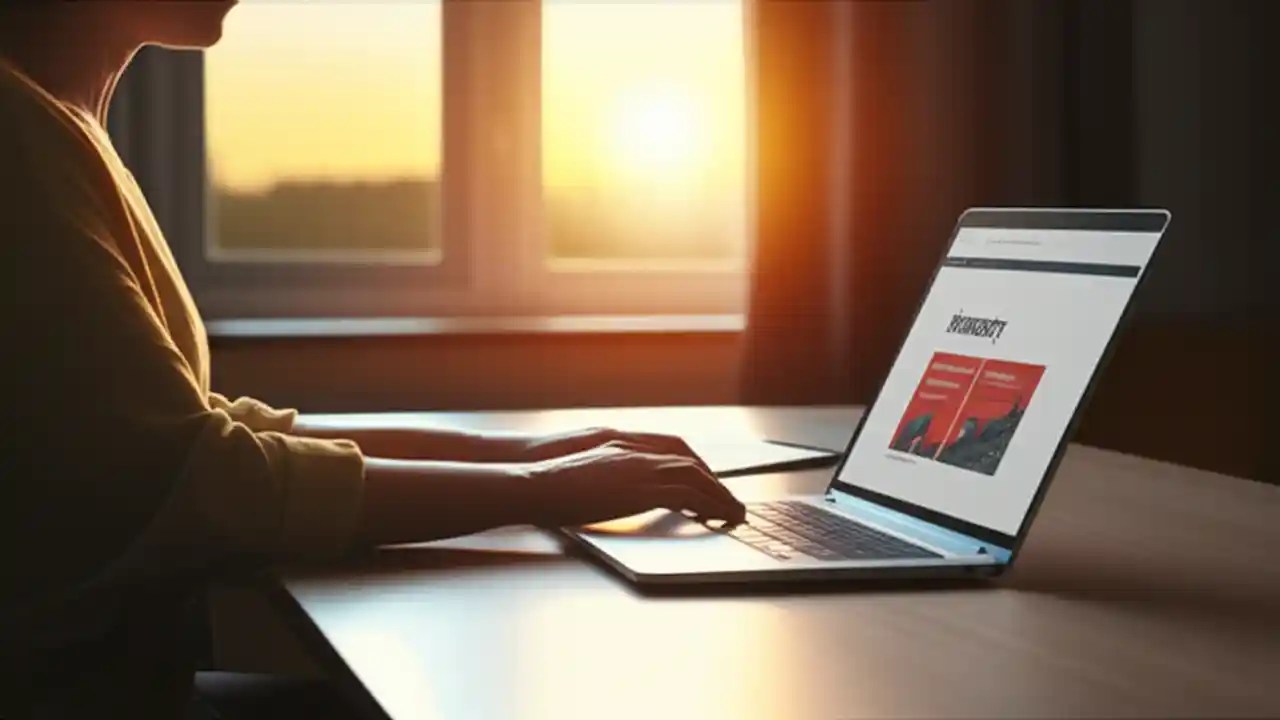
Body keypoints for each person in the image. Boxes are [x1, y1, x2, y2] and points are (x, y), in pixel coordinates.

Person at [0, 3, 745, 718]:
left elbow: (189, 427)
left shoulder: (57, 121)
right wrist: (537, 489)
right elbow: (202, 476)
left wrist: (523, 452)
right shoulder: (17, 138)